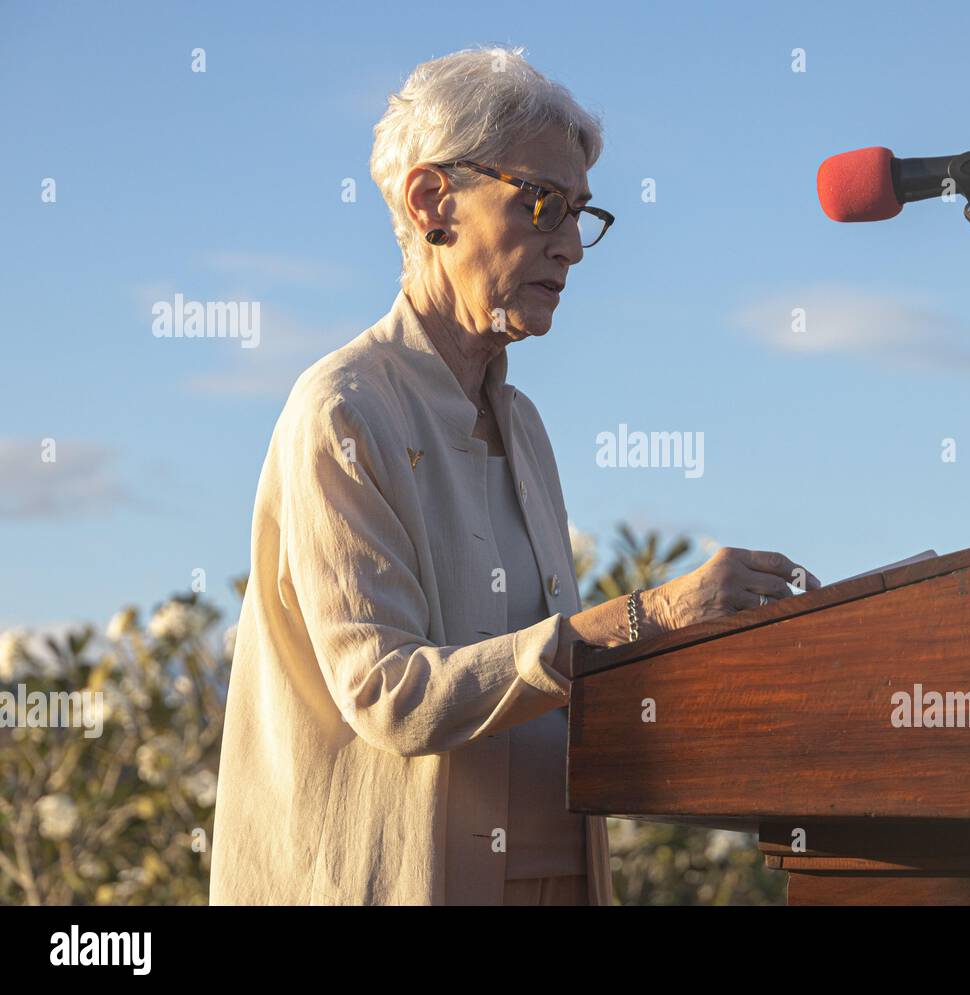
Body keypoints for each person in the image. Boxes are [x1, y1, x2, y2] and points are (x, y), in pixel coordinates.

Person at [209, 44, 820, 907]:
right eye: (541, 204)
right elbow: (392, 695)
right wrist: (653, 613)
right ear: (432, 201)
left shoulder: (524, 425)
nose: (571, 246)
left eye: (579, 213)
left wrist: (735, 650)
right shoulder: (343, 409)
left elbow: (550, 681)